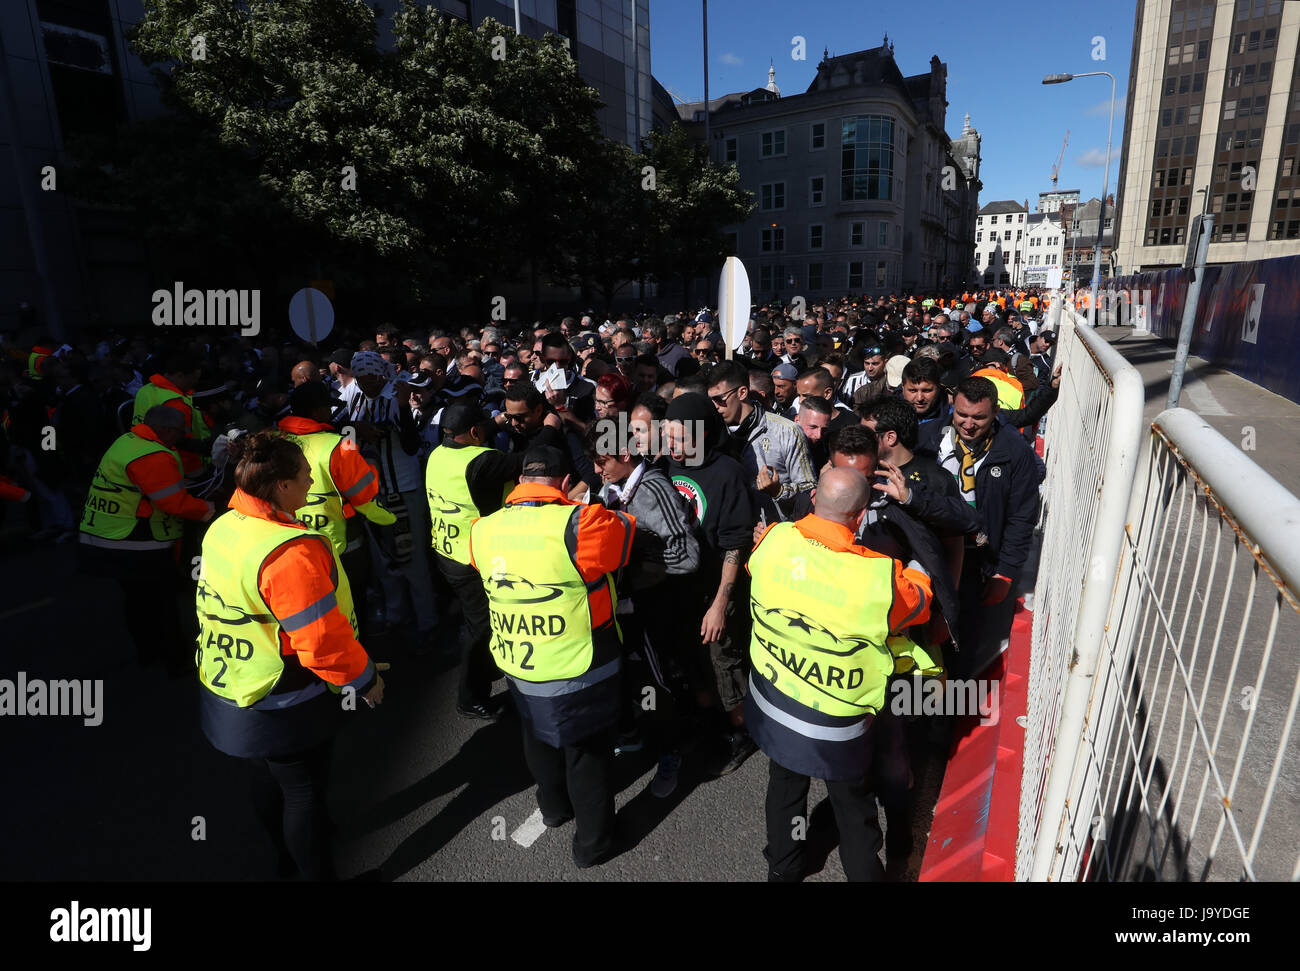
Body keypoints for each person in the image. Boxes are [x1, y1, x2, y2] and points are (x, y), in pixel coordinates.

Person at [196, 429, 385, 881]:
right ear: (281, 485)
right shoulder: (289, 552)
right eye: (304, 477)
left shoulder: (226, 525)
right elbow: (321, 642)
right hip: (284, 693)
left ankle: (285, 859)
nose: (311, 485)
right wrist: (365, 680)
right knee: (304, 794)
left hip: (232, 679)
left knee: (266, 780)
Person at [746, 468, 939, 882]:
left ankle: (783, 869)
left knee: (784, 789)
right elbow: (918, 602)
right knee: (854, 811)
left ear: (814, 498)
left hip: (775, 703)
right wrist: (920, 565)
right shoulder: (879, 576)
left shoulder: (776, 538)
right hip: (837, 725)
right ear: (861, 515)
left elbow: (756, 567)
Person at [468, 445, 635, 869]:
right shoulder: (583, 523)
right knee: (586, 755)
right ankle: (593, 845)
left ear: (521, 482)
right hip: (577, 666)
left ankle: (554, 809)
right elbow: (626, 537)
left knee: (536, 736)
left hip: (516, 661)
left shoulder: (481, 529)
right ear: (564, 484)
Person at [586, 419, 700, 797]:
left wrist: (642, 561)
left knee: (658, 683)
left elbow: (688, 556)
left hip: (653, 609)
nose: (596, 471)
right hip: (624, 608)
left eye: (601, 462)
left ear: (623, 454)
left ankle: (671, 754)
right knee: (633, 681)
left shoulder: (653, 490)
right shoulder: (610, 488)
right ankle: (638, 735)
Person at [662, 393, 759, 775]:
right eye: (667, 438)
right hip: (681, 588)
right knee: (690, 660)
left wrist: (720, 603)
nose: (672, 447)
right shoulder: (668, 464)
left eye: (680, 439)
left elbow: (736, 543)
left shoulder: (728, 473)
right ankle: (709, 722)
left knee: (724, 660)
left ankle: (742, 731)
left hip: (719, 586)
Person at [79, 405, 216, 673]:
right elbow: (173, 503)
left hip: (107, 535)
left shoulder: (127, 442)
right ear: (165, 430)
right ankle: (176, 662)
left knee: (136, 600)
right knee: (163, 602)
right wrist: (206, 510)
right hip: (138, 541)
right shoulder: (154, 455)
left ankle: (147, 652)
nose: (182, 436)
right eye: (179, 431)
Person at [426, 402, 526, 719]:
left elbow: (471, 434)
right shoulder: (484, 460)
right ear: (474, 432)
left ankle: (488, 672)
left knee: (476, 623)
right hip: (472, 560)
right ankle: (470, 698)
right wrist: (550, 426)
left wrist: (498, 422)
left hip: (445, 552)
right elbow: (531, 461)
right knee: (480, 628)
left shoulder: (437, 454)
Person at [936, 378, 1042, 677]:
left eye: (978, 417)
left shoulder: (1014, 451)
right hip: (933, 558)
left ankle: (947, 714)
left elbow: (1022, 517)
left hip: (979, 564)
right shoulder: (931, 439)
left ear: (995, 412)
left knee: (962, 646)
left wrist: (1005, 572)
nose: (968, 425)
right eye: (962, 415)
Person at [277, 381, 396, 645]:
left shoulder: (276, 441)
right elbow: (366, 496)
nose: (331, 413)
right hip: (341, 547)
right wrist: (390, 520)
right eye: (327, 409)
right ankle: (358, 671)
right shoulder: (341, 446)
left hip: (288, 543)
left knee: (306, 611)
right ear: (318, 411)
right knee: (350, 609)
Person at [706, 361, 815, 517]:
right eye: (710, 400)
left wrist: (779, 491)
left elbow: (810, 491)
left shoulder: (787, 431)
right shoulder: (711, 433)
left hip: (775, 534)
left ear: (742, 392)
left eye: (719, 399)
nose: (715, 406)